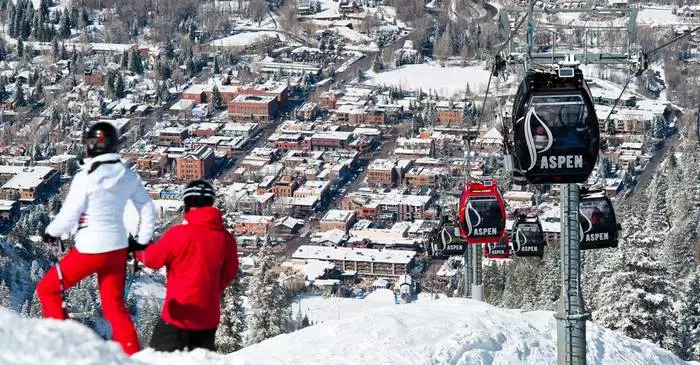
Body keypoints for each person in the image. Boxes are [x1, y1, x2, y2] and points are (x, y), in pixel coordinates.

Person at [37, 122, 156, 356]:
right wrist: (141, 240)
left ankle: (64, 346)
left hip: (90, 249)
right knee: (114, 307)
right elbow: (147, 208)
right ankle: (132, 356)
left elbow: (70, 214)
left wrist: (52, 232)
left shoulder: (86, 177)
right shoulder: (127, 175)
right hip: (117, 249)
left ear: (90, 147)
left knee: (48, 289)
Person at [129, 179, 239, 352]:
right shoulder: (226, 238)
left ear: (187, 204)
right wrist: (210, 288)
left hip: (178, 315)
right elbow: (230, 272)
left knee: (159, 360)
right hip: (208, 318)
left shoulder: (178, 235)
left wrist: (137, 247)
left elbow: (153, 259)